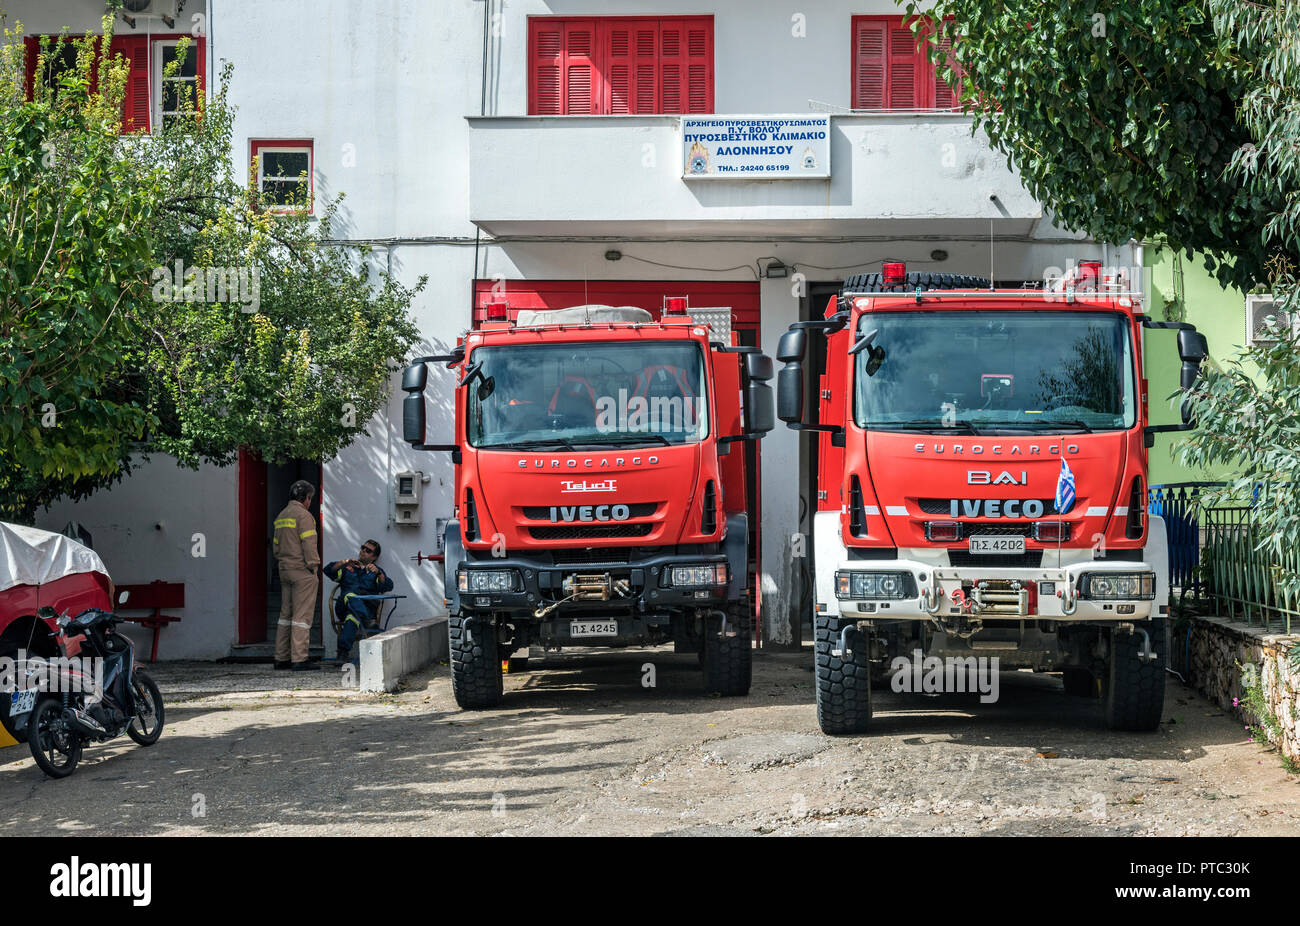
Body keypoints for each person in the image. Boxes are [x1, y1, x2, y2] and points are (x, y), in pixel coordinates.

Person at [273, 480, 321, 671]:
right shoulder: (304, 516)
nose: (310, 502)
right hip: (302, 571)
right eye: (311, 499)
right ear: (306, 498)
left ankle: (281, 657)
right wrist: (313, 566)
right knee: (302, 616)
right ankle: (299, 658)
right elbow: (309, 544)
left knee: (285, 614)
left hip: (284, 569)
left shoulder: (281, 515)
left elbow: (276, 546)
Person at [324, 540, 393, 663]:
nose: (363, 551)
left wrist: (378, 573)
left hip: (364, 609)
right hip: (343, 607)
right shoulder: (347, 567)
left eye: (368, 550)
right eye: (363, 548)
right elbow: (328, 570)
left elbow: (387, 586)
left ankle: (342, 653)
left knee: (352, 618)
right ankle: (366, 621)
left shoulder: (376, 571)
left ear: (374, 557)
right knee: (350, 595)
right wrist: (344, 562)